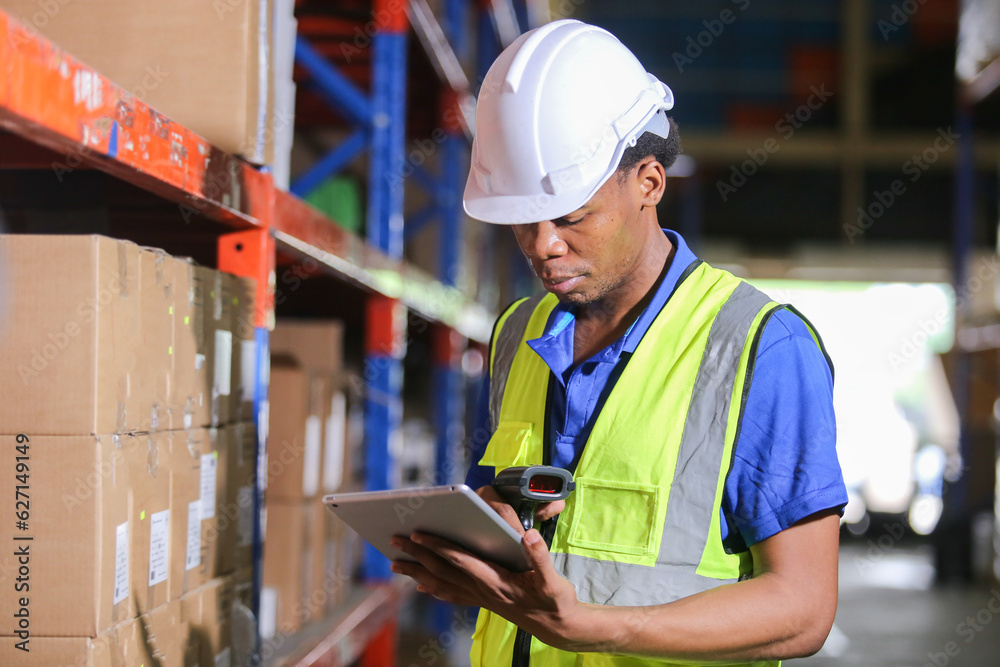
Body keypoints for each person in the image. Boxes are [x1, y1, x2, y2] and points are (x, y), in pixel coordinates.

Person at [389, 19, 848, 667]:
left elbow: (802, 609)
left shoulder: (760, 348)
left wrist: (595, 627)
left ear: (649, 183)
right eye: (523, 221)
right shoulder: (517, 332)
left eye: (572, 216)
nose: (543, 245)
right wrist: (479, 539)